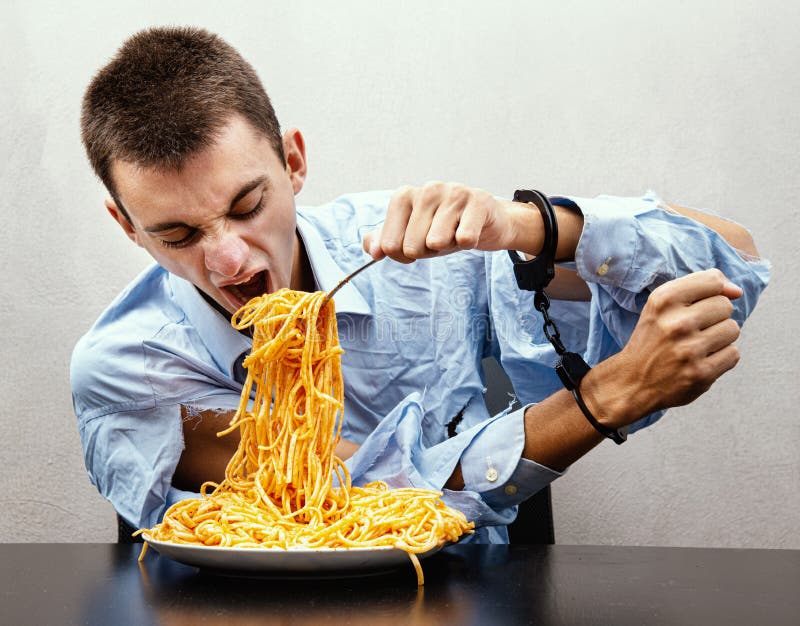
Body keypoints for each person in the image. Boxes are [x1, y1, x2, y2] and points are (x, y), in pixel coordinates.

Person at [72, 26, 770, 542]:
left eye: (247, 206)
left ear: (293, 162)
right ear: (127, 225)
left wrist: (526, 225)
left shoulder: (414, 249)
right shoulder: (129, 368)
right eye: (177, 235)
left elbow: (731, 261)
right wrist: (607, 397)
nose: (227, 260)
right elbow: (378, 497)